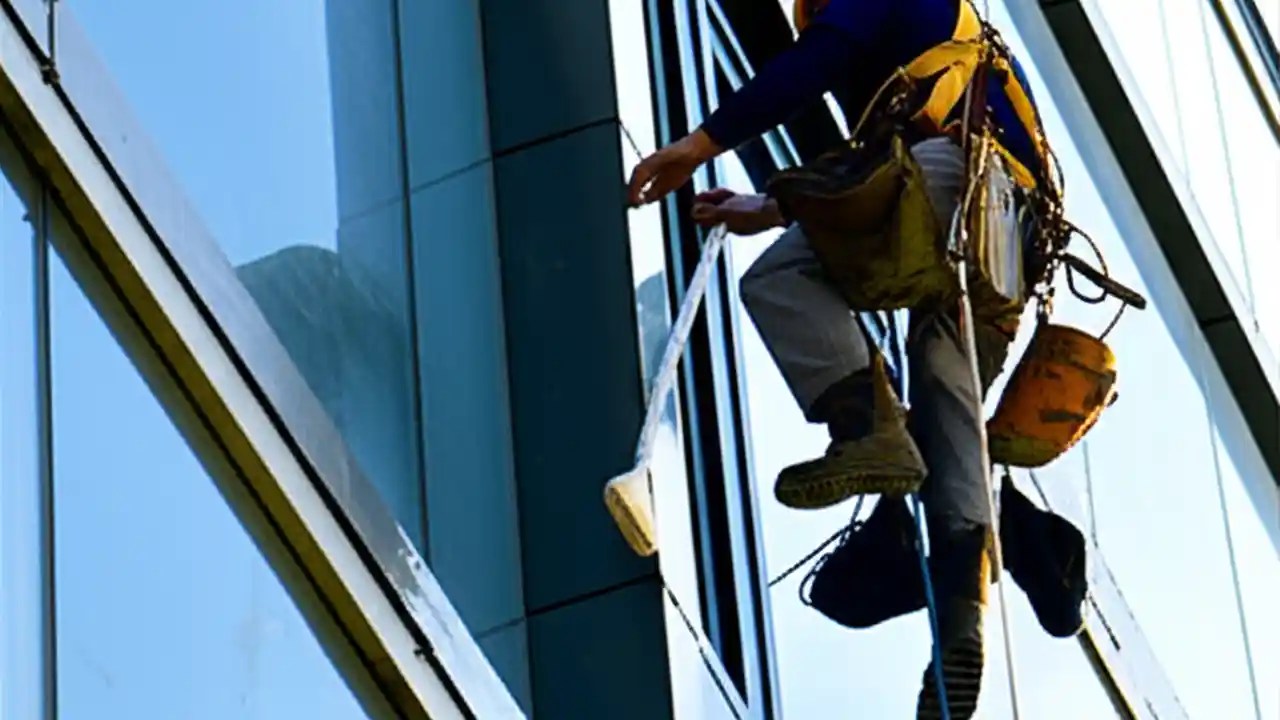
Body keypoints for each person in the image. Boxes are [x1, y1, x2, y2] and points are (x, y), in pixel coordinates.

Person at [625, 1, 1049, 717]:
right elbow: (869, 178)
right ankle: (963, 617)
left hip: (953, 181)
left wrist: (701, 143)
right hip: (1011, 241)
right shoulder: (957, 34)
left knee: (779, 281)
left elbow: (810, 68)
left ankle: (866, 432)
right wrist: (772, 207)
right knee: (951, 412)